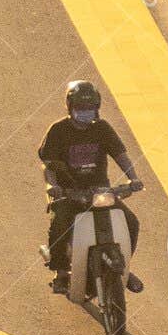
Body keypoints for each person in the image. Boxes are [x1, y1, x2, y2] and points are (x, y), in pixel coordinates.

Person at [39, 78, 143, 294]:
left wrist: (133, 178)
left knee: (131, 222)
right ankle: (59, 272)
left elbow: (120, 155)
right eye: (81, 108)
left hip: (100, 192)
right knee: (60, 224)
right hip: (69, 194)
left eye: (90, 108)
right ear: (70, 107)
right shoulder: (58, 131)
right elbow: (48, 165)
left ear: (97, 108)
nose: (85, 112)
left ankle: (123, 268)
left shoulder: (102, 129)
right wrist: (53, 186)